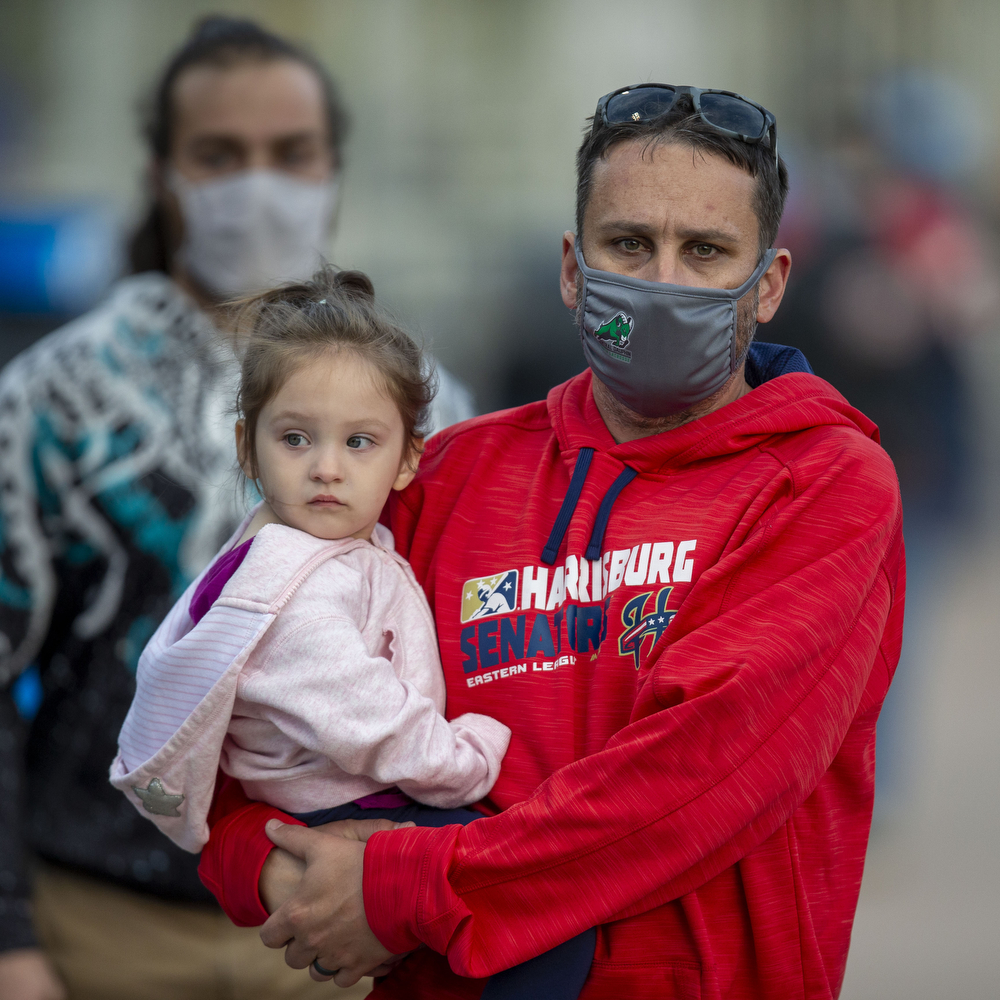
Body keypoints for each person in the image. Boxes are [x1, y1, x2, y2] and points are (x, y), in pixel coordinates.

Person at [202, 84, 905, 998]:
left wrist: (402, 887)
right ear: (573, 269)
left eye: (705, 251)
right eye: (629, 244)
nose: (662, 282)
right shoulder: (443, 476)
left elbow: (696, 779)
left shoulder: (824, 486)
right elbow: (247, 698)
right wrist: (268, 867)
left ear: (767, 284)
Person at [0, 16, 470, 1000]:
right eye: (220, 155)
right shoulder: (54, 398)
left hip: (343, 930)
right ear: (163, 174)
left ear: (333, 170)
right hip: (103, 931)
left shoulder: (434, 408)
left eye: (290, 154)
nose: (258, 184)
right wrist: (8, 940)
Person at [110, 266, 597, 1000]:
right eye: (295, 439)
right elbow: (361, 715)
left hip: (364, 796)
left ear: (409, 458)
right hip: (353, 805)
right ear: (247, 447)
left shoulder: (323, 551)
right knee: (544, 918)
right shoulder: (288, 583)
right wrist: (465, 759)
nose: (327, 468)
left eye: (360, 441)